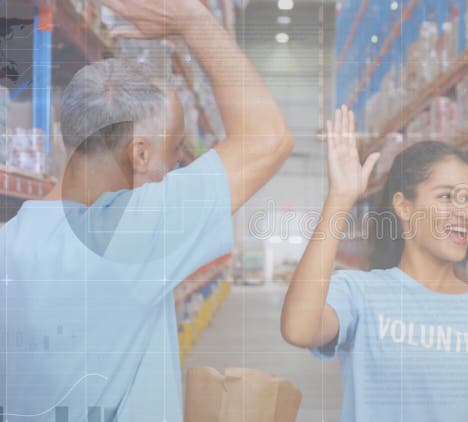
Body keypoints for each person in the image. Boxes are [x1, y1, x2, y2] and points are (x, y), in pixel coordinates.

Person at [0, 0, 293, 421]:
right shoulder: (132, 234)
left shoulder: (11, 239)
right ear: (139, 154)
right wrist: (194, 21)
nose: (174, 169)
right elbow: (268, 138)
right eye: (173, 153)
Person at [281, 108, 468, 422]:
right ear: (404, 206)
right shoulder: (361, 294)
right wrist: (340, 199)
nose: (464, 212)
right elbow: (298, 328)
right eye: (446, 197)